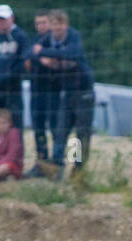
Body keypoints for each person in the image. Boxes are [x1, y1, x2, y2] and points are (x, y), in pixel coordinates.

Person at [39, 10, 94, 176]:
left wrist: (44, 53)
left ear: (66, 25)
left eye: (60, 25)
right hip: (67, 91)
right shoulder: (48, 39)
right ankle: (57, 167)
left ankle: (77, 168)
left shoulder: (74, 37)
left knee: (80, 133)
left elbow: (72, 53)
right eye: (54, 25)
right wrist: (42, 55)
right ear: (50, 26)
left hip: (83, 91)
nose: (57, 29)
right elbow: (31, 52)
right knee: (61, 130)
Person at [27, 9, 56, 175]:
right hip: (36, 91)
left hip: (54, 92)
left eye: (43, 22)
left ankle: (57, 162)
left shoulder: (55, 40)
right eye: (37, 23)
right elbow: (27, 57)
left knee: (57, 129)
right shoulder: (35, 40)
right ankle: (42, 160)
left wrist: (41, 54)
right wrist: (40, 58)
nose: (40, 26)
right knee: (38, 128)